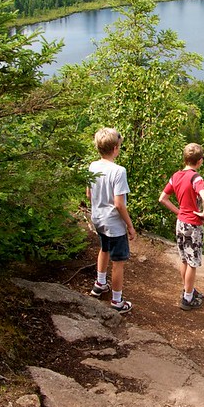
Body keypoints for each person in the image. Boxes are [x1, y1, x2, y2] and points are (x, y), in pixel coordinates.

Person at [86, 128, 136, 313]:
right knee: (118, 262)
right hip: (114, 223)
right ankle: (117, 301)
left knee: (104, 248)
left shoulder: (92, 166)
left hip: (98, 218)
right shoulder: (118, 171)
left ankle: (100, 284)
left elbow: (89, 194)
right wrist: (130, 226)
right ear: (116, 148)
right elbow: (119, 204)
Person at [159, 142, 204, 311]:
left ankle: (189, 290)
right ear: (200, 161)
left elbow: (163, 198)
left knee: (184, 259)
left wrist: (178, 212)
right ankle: (188, 298)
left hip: (180, 223)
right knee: (192, 262)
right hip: (193, 225)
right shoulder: (196, 178)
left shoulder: (176, 176)